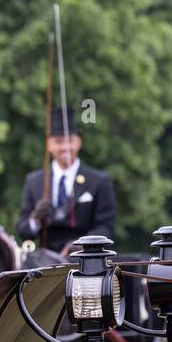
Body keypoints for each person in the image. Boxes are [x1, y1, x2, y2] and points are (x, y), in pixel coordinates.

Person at [16, 107, 116, 255]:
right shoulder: (34, 181)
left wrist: (81, 245)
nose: (65, 147)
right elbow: (23, 231)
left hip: (85, 259)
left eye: (70, 141)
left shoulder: (99, 181)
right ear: (49, 145)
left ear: (79, 142)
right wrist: (35, 218)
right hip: (45, 262)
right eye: (58, 141)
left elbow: (106, 227)